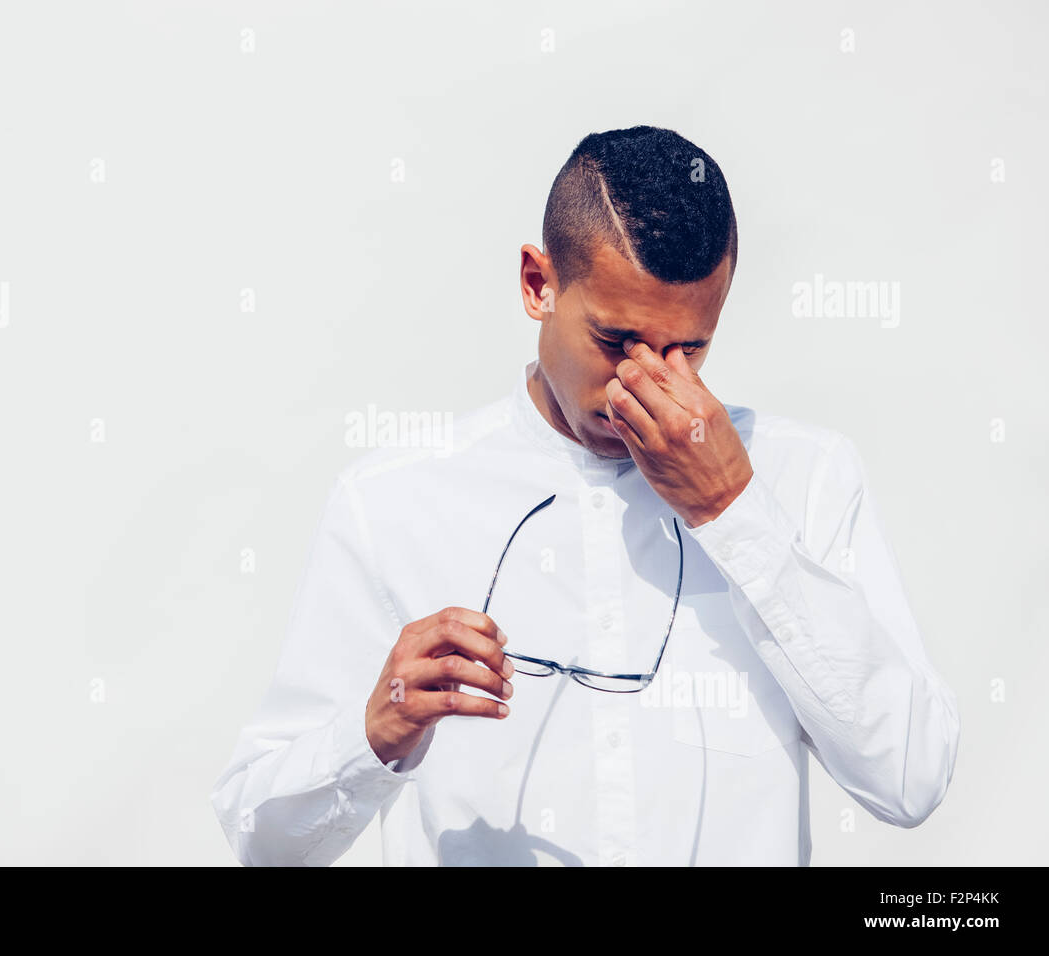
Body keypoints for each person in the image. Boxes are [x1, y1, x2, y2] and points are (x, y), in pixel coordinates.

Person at [209, 125, 960, 866]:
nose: (646, 379)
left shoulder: (805, 476)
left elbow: (910, 780)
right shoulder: (392, 503)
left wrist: (735, 512)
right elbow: (263, 840)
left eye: (687, 348)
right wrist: (376, 732)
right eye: (614, 339)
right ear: (539, 285)